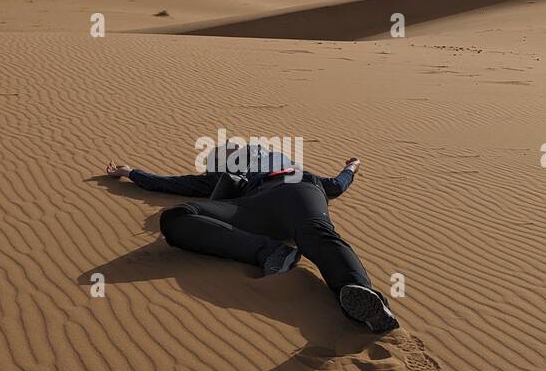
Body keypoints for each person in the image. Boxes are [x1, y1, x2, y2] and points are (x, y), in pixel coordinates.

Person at [105, 142, 398, 333]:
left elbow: (335, 185)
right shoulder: (222, 178)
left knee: (315, 233)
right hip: (249, 208)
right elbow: (170, 184)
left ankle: (362, 296)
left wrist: (351, 167)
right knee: (176, 216)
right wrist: (132, 172)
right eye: (225, 150)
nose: (234, 147)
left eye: (235, 146)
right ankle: (271, 253)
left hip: (298, 191)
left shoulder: (293, 169)